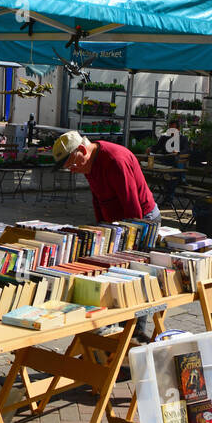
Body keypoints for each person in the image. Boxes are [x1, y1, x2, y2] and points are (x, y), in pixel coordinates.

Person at [52, 130, 160, 342]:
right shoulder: (88, 162)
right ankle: (114, 335)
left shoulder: (114, 160)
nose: (72, 171)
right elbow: (98, 199)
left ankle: (135, 335)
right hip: (116, 224)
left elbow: (133, 210)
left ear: (82, 150)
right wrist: (101, 232)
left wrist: (129, 246)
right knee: (113, 274)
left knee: (135, 273)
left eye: (72, 165)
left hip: (141, 220)